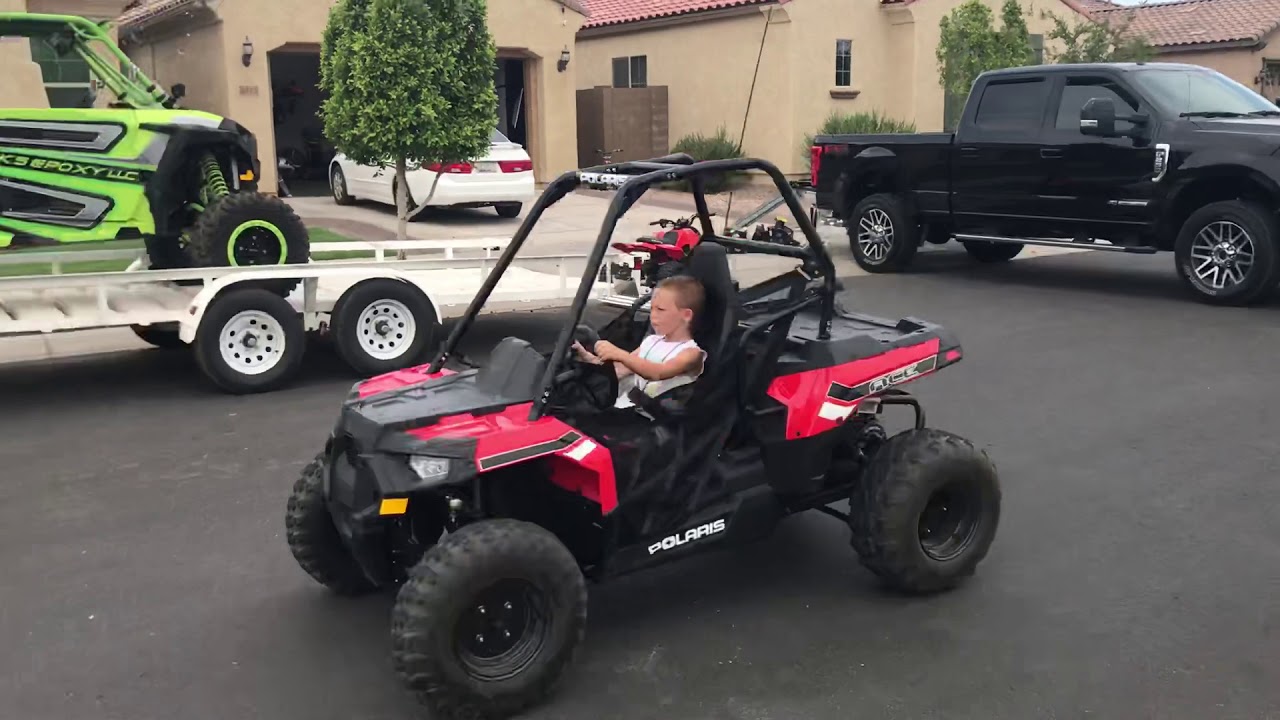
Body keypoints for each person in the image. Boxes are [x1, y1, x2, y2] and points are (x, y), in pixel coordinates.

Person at [573, 275, 706, 409]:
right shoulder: (651, 341)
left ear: (686, 315)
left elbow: (657, 373)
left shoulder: (691, 353)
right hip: (633, 405)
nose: (653, 315)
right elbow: (619, 370)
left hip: (662, 417)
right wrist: (587, 357)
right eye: (651, 309)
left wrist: (619, 354)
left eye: (660, 310)